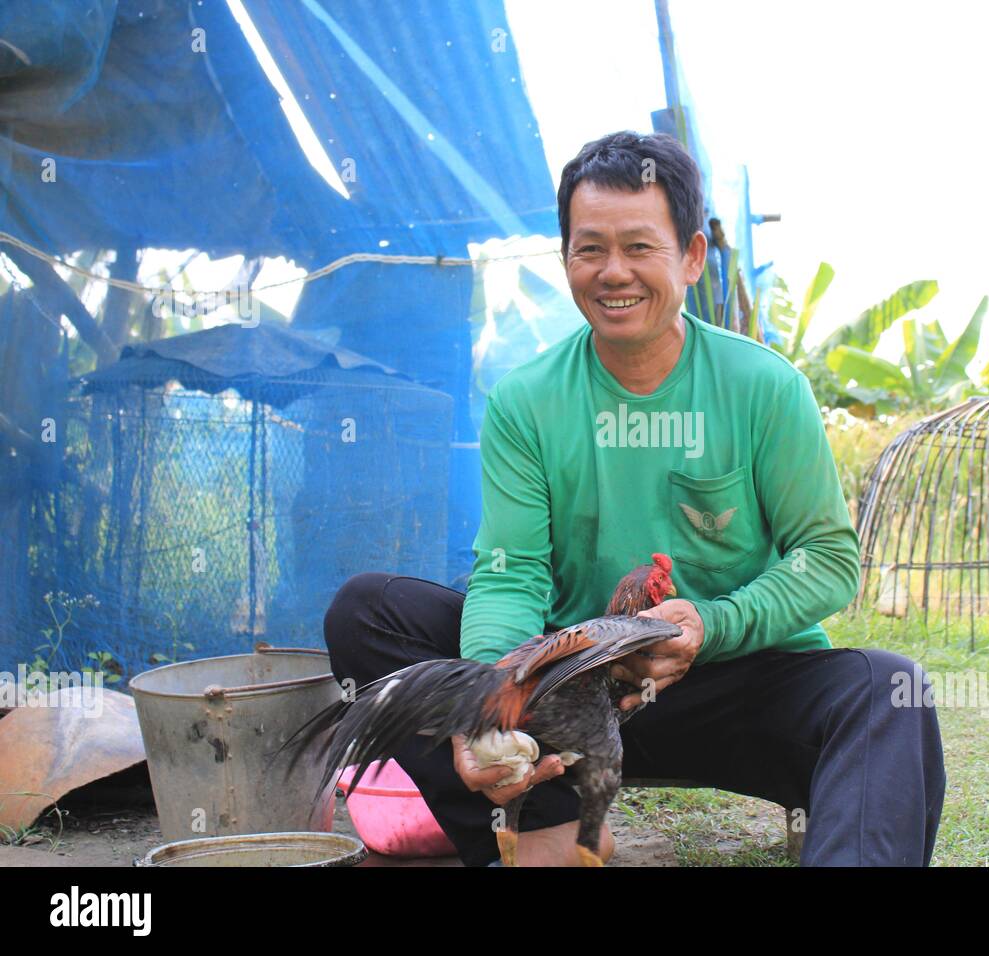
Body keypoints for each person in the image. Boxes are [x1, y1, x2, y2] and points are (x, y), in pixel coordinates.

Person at [324, 130, 945, 866]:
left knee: (889, 688)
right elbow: (510, 573)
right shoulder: (528, 399)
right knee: (369, 613)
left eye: (639, 247)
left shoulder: (765, 387)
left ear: (691, 257)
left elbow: (828, 559)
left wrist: (713, 624)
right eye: (590, 249)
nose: (613, 271)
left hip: (736, 689)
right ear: (566, 260)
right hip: (574, 699)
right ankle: (549, 824)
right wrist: (494, 702)